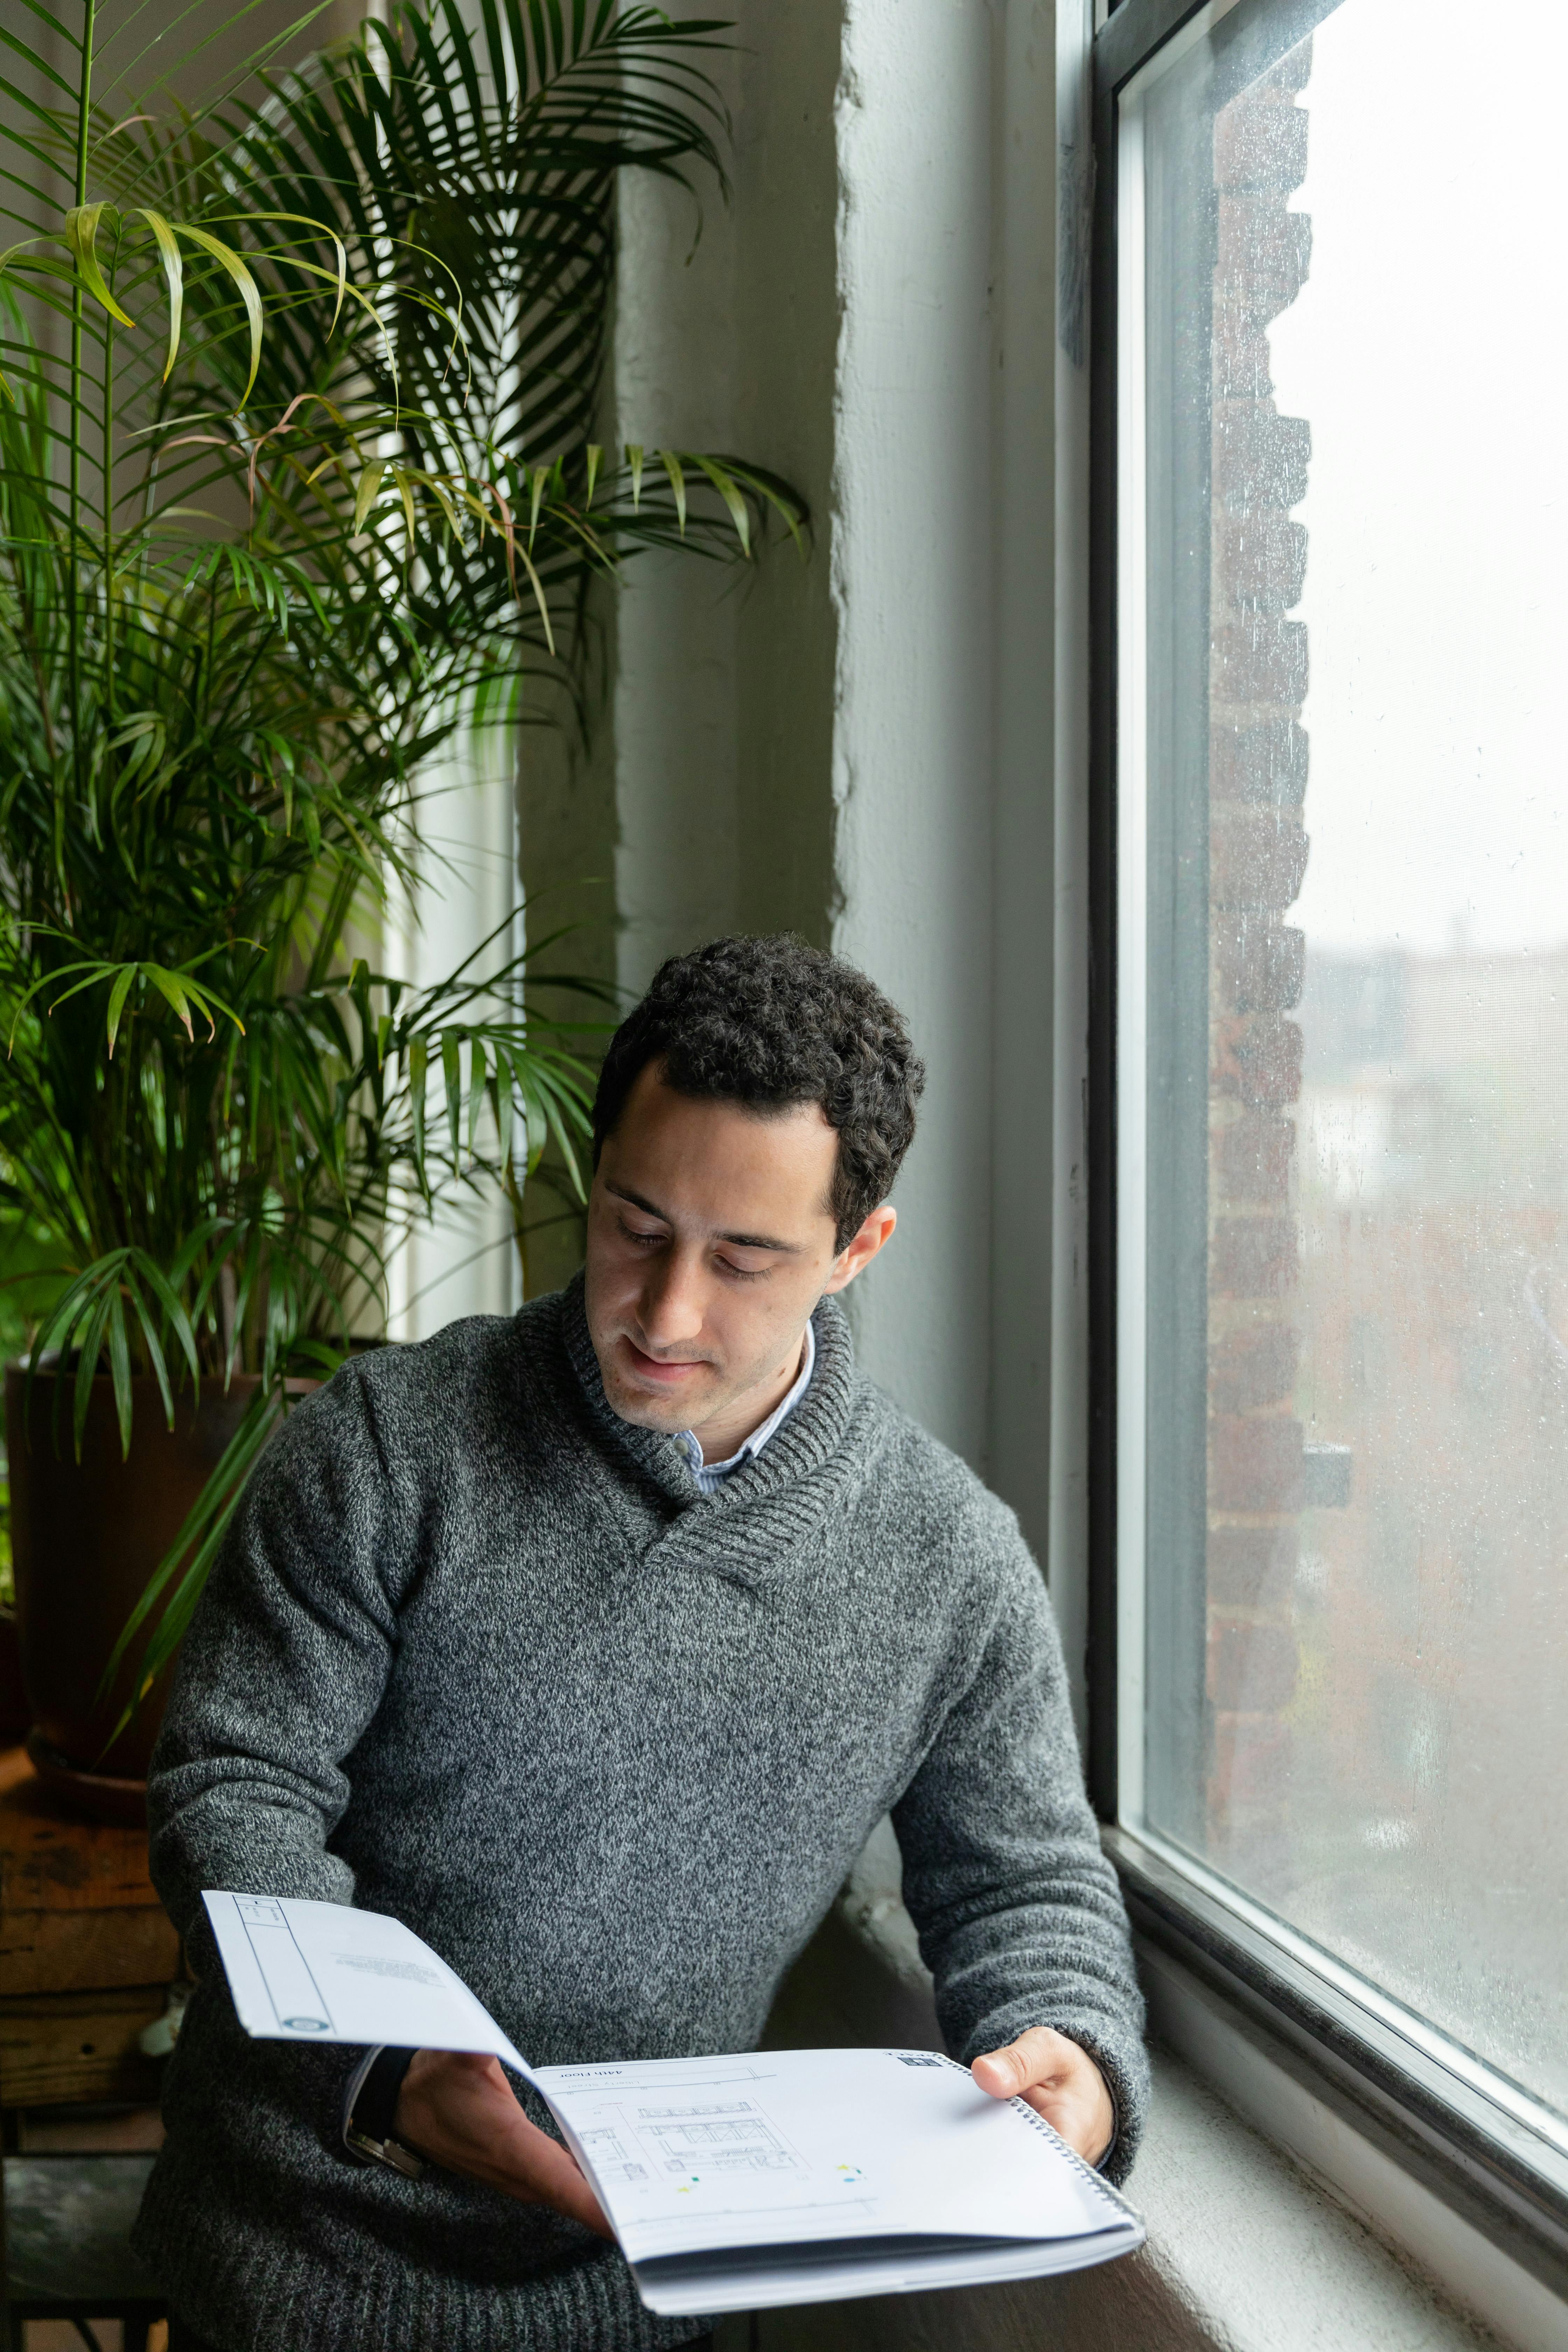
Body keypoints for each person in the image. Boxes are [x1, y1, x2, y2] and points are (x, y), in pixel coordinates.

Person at [135, 934, 1147, 2352]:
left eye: (744, 1259)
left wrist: (1076, 2069)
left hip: (646, 2292)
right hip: (303, 2254)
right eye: (635, 1227)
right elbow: (234, 1792)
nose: (666, 1316)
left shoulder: (949, 1560)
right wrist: (386, 2073)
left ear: (859, 1251)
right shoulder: (379, 1448)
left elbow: (1028, 1889)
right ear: (594, 1173)